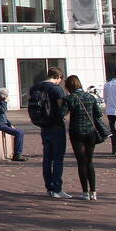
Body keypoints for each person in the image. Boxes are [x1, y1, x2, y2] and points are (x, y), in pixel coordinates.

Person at [28, 65, 71, 198]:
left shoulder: (35, 87)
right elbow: (62, 108)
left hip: (43, 125)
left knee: (47, 157)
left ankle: (49, 188)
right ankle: (57, 188)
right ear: (58, 77)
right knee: (58, 158)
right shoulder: (56, 89)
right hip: (56, 126)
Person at [64, 75, 107, 201]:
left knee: (81, 162)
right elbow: (98, 114)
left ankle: (85, 192)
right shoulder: (90, 97)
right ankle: (93, 191)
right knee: (89, 161)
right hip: (91, 132)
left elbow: (62, 113)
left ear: (69, 87)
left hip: (76, 132)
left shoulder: (70, 98)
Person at [0, 88, 27, 161]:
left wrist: (10, 124)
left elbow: (4, 116)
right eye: (5, 97)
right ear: (1, 96)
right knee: (18, 133)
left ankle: (18, 153)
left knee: (20, 132)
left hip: (3, 123)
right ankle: (17, 155)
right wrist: (5, 102)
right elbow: (2, 111)